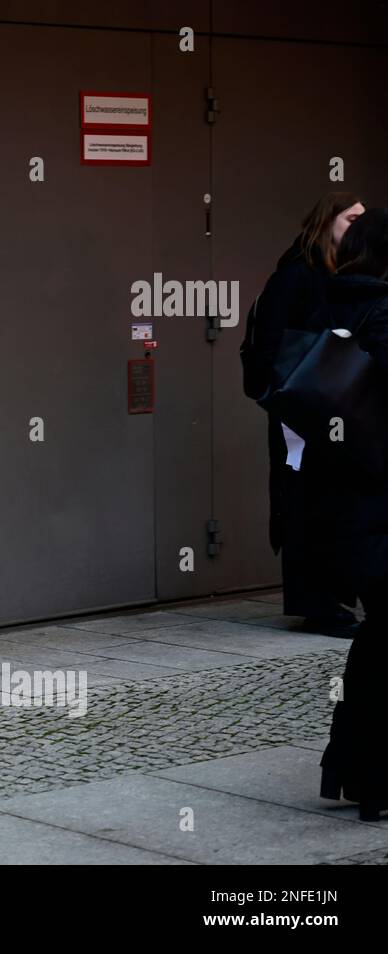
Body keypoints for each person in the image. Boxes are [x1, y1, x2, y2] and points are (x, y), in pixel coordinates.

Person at [241, 192, 364, 635]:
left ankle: (333, 598)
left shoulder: (339, 275)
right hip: (304, 411)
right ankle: (319, 604)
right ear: (326, 221)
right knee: (308, 499)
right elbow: (269, 349)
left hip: (333, 409)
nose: (358, 228)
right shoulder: (295, 276)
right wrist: (285, 397)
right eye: (351, 218)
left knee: (334, 499)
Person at [315, 208, 388, 819]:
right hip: (381, 495)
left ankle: (355, 768)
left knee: (375, 635)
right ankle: (371, 776)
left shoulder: (321, 304)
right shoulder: (381, 310)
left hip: (343, 498)